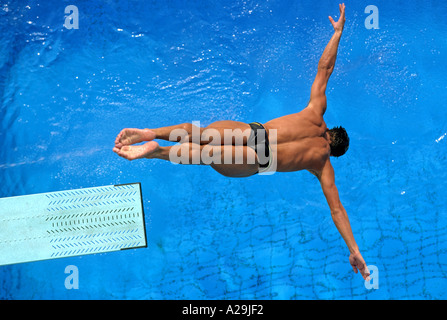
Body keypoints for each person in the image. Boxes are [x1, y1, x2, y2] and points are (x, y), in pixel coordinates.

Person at [113, 3, 370, 280]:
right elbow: (337, 210)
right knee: (203, 156)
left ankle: (151, 133)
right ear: (334, 150)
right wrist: (354, 249)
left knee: (199, 134)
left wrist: (338, 32)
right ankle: (157, 152)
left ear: (331, 131)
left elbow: (325, 68)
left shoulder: (315, 113)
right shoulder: (323, 164)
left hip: (256, 132)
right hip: (260, 159)